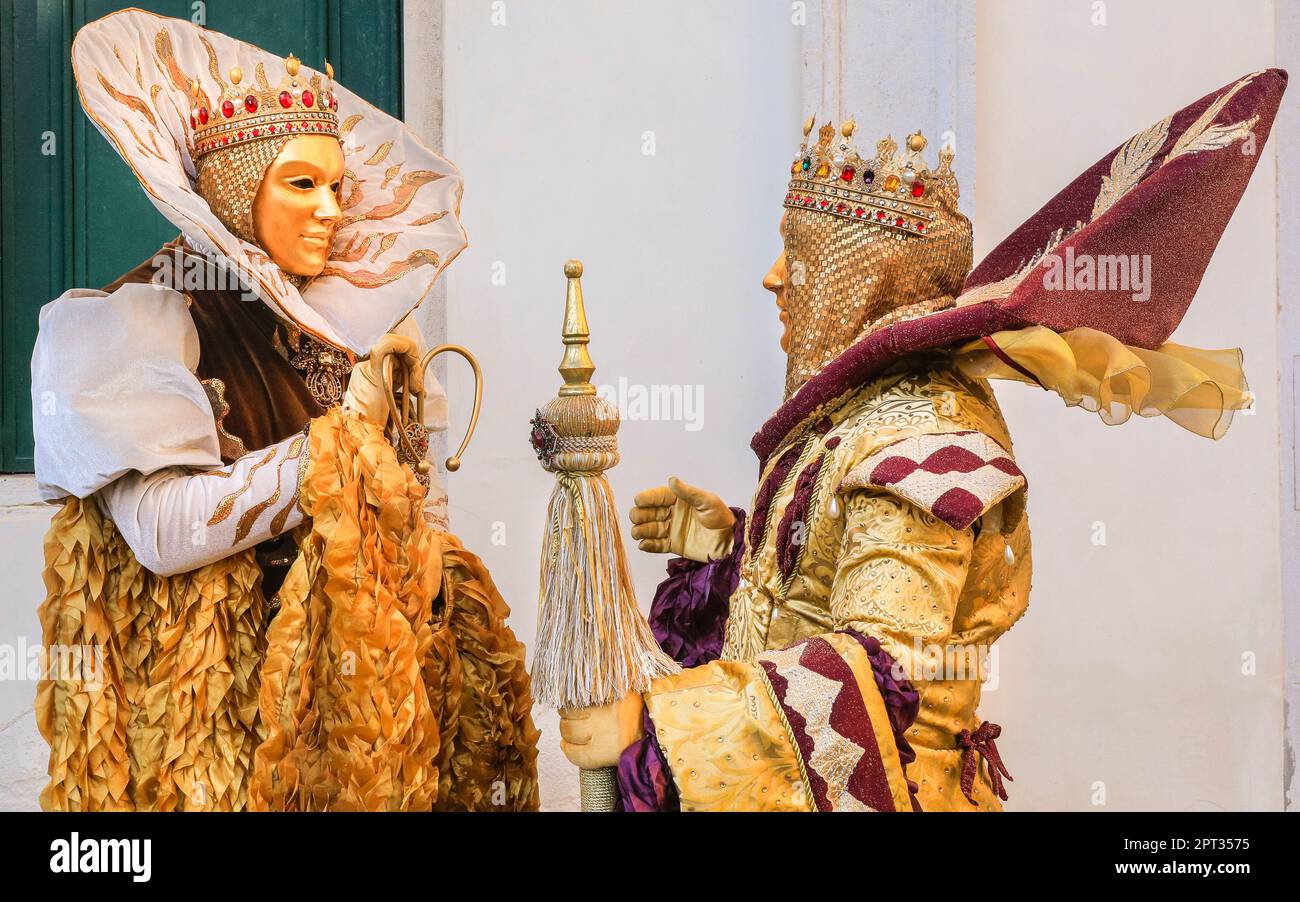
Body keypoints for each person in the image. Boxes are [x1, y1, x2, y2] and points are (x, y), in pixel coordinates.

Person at [559, 69, 1286, 811]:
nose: (774, 279)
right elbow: (841, 601)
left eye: (797, 252)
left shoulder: (924, 442)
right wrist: (737, 550)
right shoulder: (862, 413)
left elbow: (883, 671)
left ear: (859, 280)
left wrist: (659, 723)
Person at [33, 9, 538, 811]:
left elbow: (413, 495)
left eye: (338, 186)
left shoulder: (358, 319)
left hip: (367, 708)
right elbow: (163, 532)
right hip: (223, 723)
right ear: (234, 186)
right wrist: (336, 446)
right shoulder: (141, 317)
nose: (333, 209)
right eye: (302, 183)